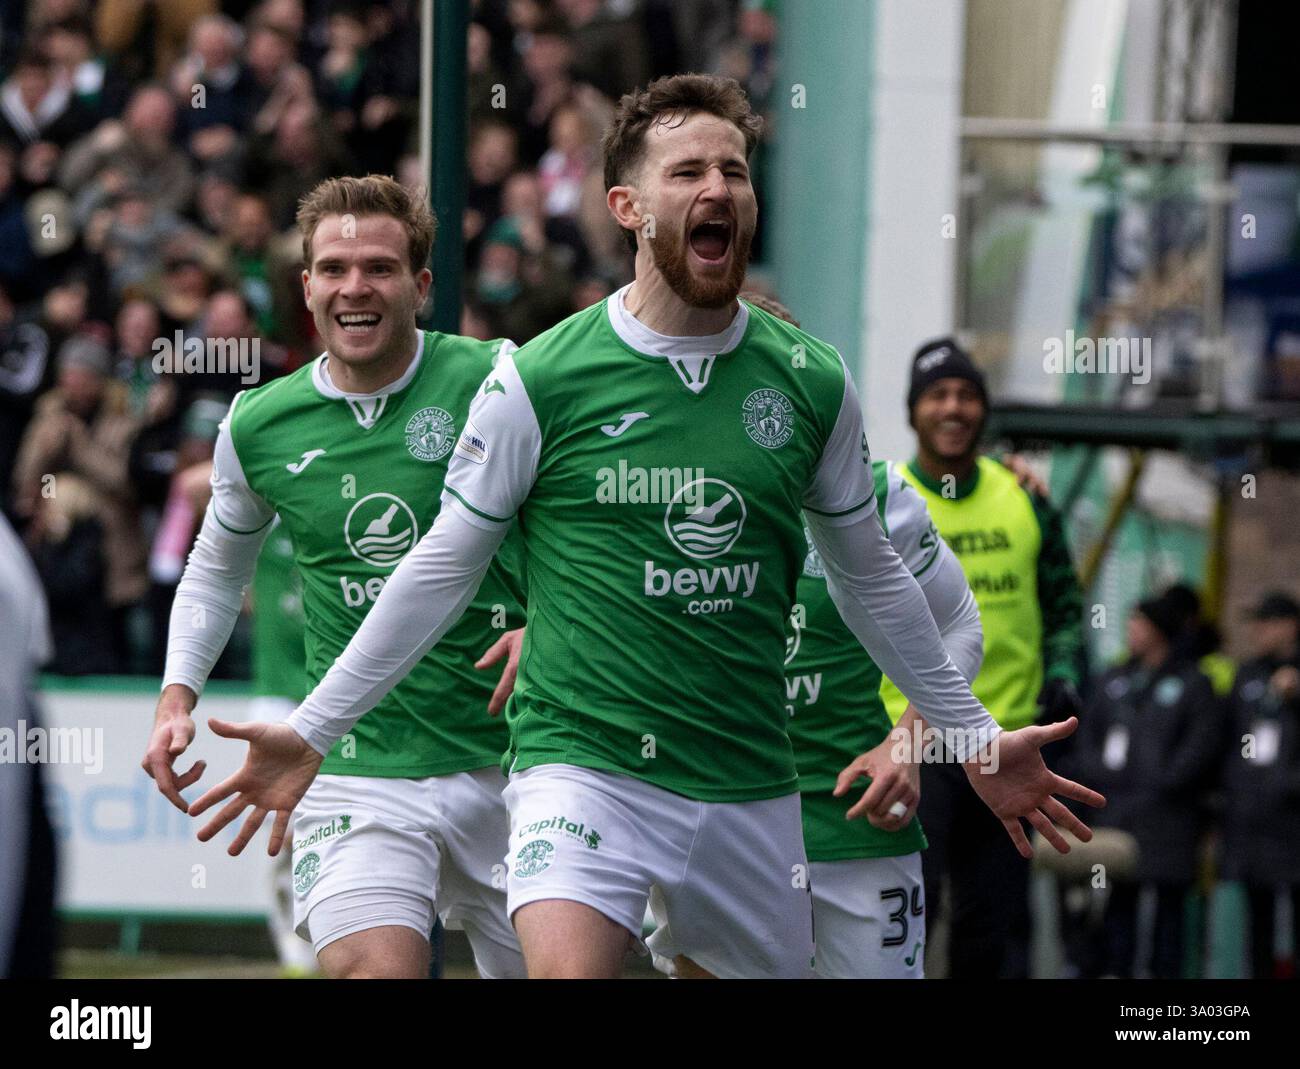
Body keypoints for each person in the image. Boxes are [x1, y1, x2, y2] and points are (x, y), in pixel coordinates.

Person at [189, 74, 1103, 980]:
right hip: (581, 766)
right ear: (627, 206)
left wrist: (971, 739)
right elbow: (438, 569)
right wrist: (314, 730)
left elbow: (871, 580)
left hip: (749, 786)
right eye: (689, 171)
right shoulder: (538, 379)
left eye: (735, 172)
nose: (718, 190)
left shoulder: (812, 380)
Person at [141, 174, 527, 979]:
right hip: (352, 760)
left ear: (420, 287)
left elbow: (573, 527)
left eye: (381, 268)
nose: (357, 286)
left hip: (516, 758)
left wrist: (552, 620)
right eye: (336, 267)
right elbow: (215, 571)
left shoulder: (497, 378)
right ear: (307, 285)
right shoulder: (259, 423)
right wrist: (178, 695)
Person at [744, 292, 982, 979]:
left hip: (856, 825)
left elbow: (961, 624)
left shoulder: (877, 496)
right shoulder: (669, 494)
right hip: (721, 820)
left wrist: (907, 743)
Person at [878, 337, 1088, 977]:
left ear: (984, 411)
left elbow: (1065, 609)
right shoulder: (876, 498)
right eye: (937, 395)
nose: (953, 407)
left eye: (967, 395)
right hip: (911, 747)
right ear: (913, 411)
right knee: (907, 912)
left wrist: (1064, 672)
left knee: (993, 928)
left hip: (1007, 742)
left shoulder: (1026, 497)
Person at [1075, 591, 1222, 977]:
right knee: (1114, 911)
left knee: (1167, 920)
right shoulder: (1114, 679)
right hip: (1116, 818)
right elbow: (1087, 737)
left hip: (1169, 823)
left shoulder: (1194, 684)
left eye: (1139, 622)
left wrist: (1160, 783)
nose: (1131, 630)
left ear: (1160, 630)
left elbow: (1200, 749)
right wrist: (1103, 782)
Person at [1220, 591, 1300, 979]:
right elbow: (1230, 737)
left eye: (1265, 622)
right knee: (1259, 923)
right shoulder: (1248, 674)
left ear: (1290, 626)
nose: (1256, 631)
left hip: (1292, 818)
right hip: (1252, 817)